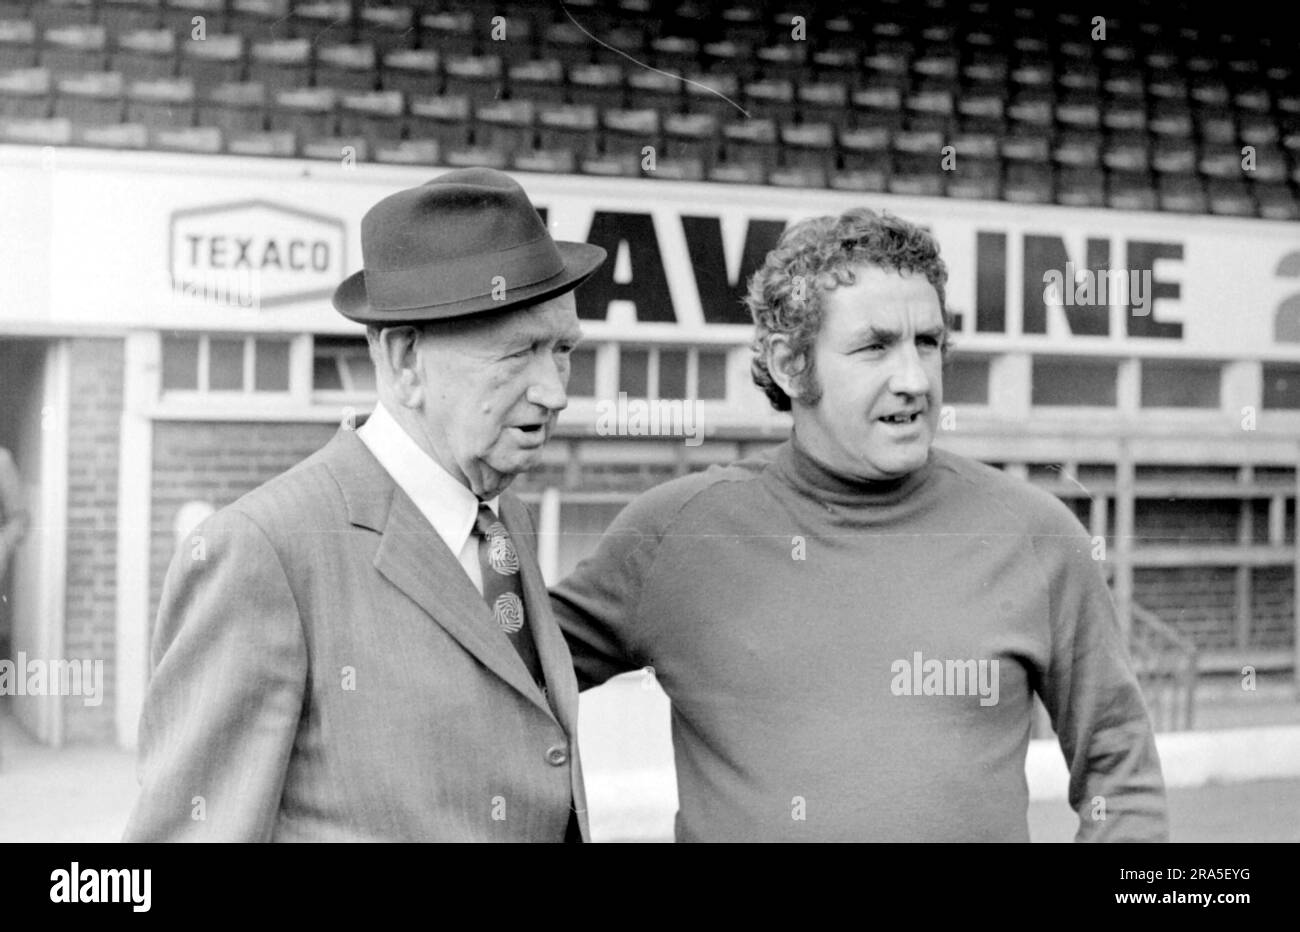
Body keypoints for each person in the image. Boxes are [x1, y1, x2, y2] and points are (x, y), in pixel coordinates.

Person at [551, 207, 1168, 842]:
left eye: (927, 343)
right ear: (791, 364)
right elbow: (488, 670)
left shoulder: (1036, 535)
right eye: (875, 347)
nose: (914, 380)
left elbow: (1118, 764)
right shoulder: (677, 534)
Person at [124, 168, 606, 841]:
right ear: (406, 359)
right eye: (520, 351)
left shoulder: (504, 516)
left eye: (563, 351)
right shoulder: (263, 551)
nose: (555, 391)